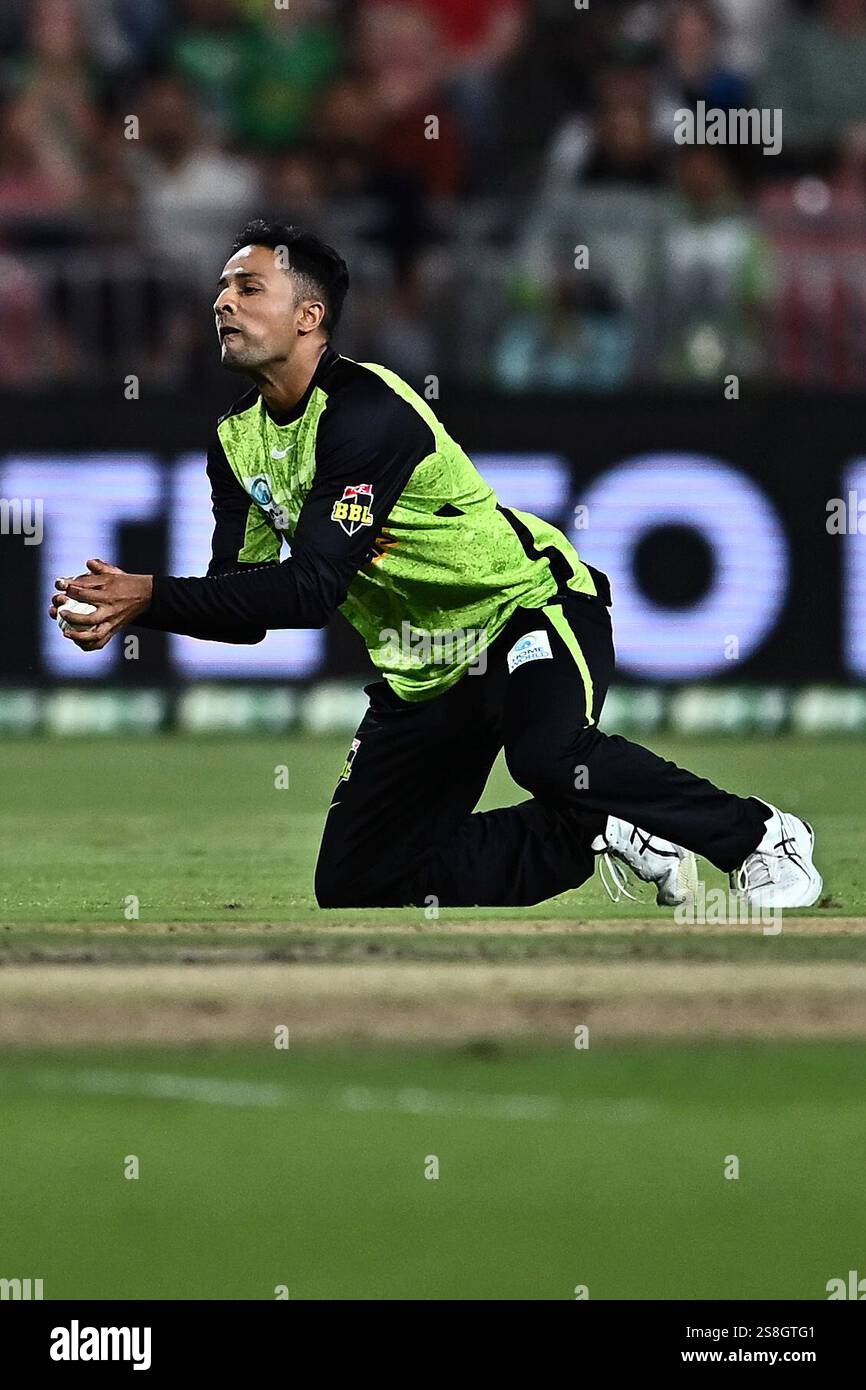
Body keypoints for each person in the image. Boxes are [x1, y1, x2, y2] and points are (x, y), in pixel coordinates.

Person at [50, 220, 823, 912]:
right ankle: (590, 829)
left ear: (309, 316)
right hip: (424, 665)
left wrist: (148, 596)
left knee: (548, 753)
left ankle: (762, 838)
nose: (223, 302)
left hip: (524, 607)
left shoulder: (364, 409)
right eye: (221, 288)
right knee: (359, 882)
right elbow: (247, 609)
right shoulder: (236, 441)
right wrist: (137, 609)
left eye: (248, 287)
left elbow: (315, 588)